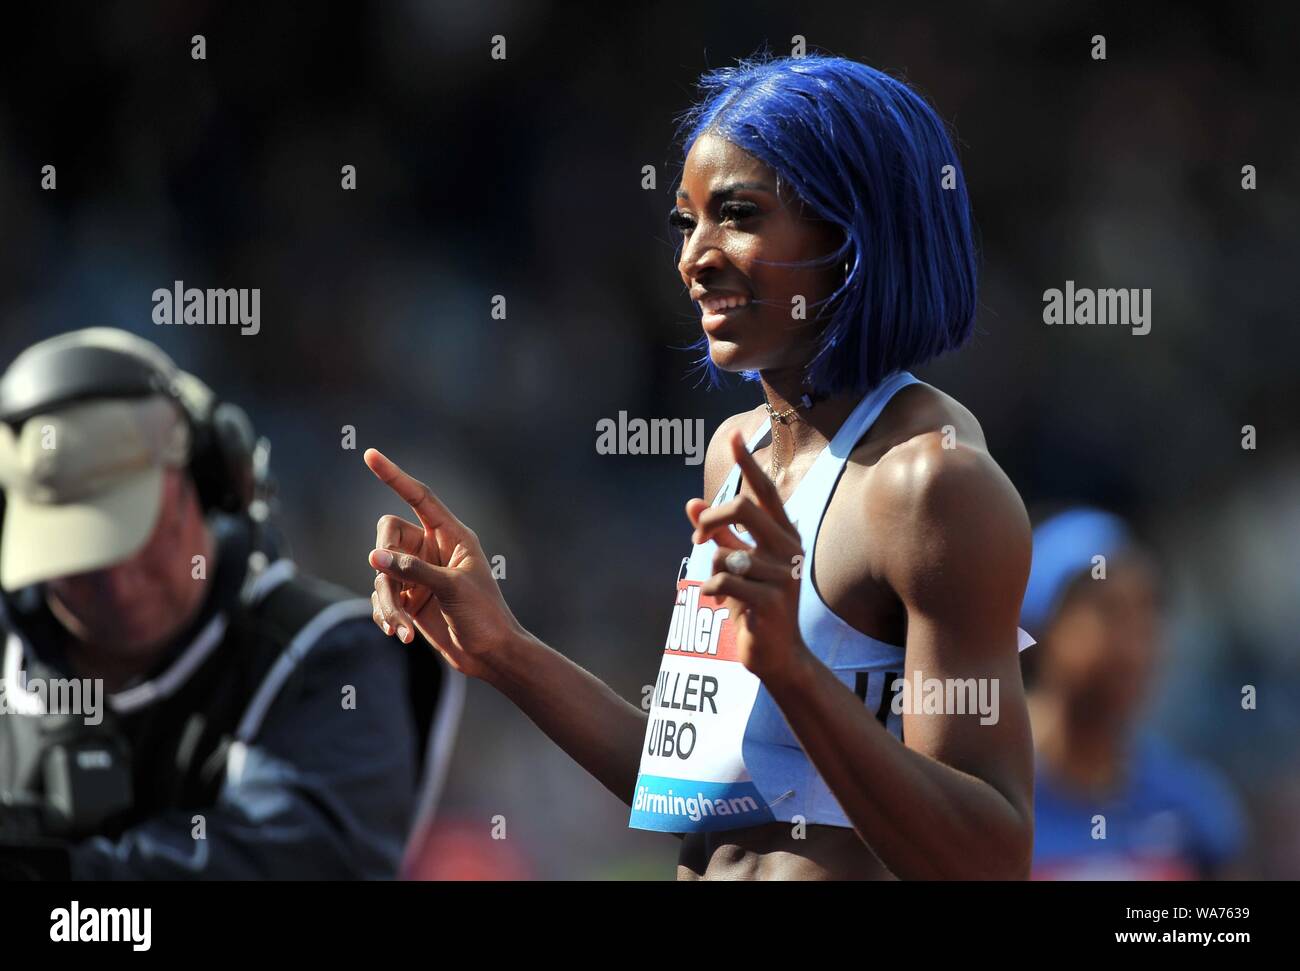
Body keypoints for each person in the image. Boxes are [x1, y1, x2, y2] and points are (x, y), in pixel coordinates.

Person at [367, 53, 1036, 879]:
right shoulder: (735, 451)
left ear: (853, 232)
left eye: (739, 214)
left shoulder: (930, 485)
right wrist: (504, 647)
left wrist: (793, 669)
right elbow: (703, 792)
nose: (695, 257)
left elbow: (989, 858)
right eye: (688, 222)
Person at [0, 327, 461, 879]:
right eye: (79, 564)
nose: (119, 587)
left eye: (141, 539)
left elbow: (297, 863)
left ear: (210, 482)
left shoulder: (329, 659)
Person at [1021, 507, 1246, 879]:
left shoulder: (1191, 805)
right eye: (1109, 612)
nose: (1136, 646)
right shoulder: (988, 797)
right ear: (1042, 629)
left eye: (1148, 613)